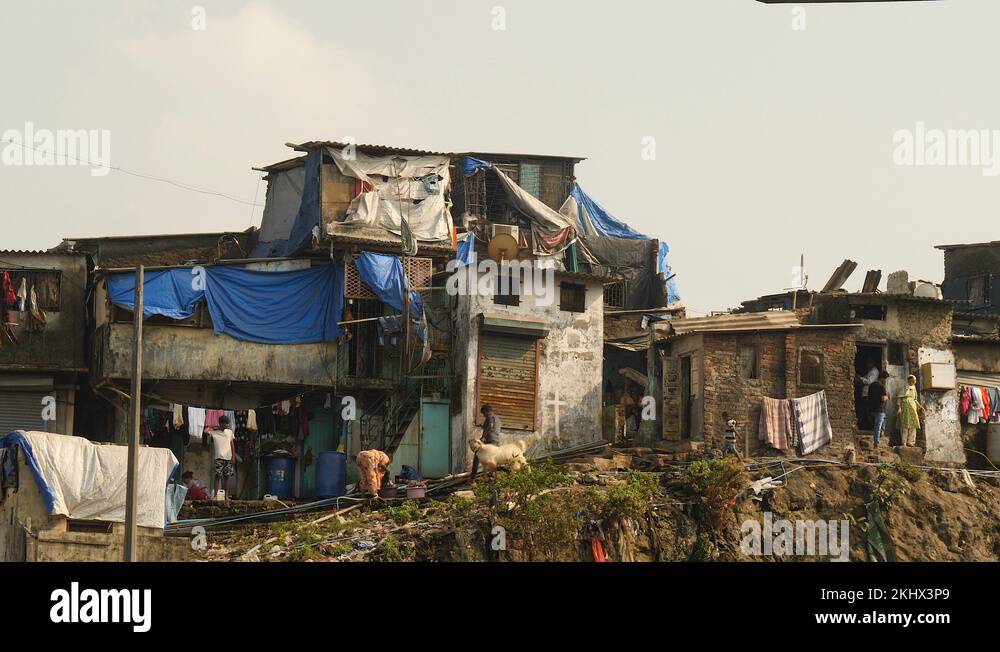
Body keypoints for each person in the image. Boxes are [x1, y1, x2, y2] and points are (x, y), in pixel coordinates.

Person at [204, 415, 236, 498]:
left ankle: (226, 496)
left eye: (227, 424)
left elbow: (232, 445)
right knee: (217, 476)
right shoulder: (214, 433)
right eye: (224, 424)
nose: (226, 425)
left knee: (227, 477)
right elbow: (205, 431)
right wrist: (213, 426)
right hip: (219, 458)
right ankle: (215, 495)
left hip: (228, 458)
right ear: (220, 424)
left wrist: (233, 457)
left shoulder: (229, 432)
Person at [469, 404, 502, 481]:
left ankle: (472, 478)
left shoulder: (489, 416)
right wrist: (483, 426)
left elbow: (490, 426)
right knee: (492, 460)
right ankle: (495, 478)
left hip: (489, 441)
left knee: (477, 456)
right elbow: (492, 427)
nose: (483, 415)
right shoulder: (497, 419)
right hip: (496, 441)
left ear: (487, 411)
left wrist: (483, 437)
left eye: (483, 413)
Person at [897, 375, 925, 447]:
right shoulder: (903, 387)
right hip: (905, 406)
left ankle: (911, 441)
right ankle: (903, 442)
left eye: (914, 381)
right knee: (904, 424)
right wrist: (899, 407)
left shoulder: (914, 388)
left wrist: (919, 406)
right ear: (909, 380)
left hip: (912, 407)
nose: (913, 382)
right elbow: (899, 398)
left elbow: (915, 399)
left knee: (913, 424)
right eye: (912, 381)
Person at [856, 359, 880, 429]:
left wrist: (860, 378)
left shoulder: (874, 371)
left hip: (868, 394)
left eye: (868, 364)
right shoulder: (870, 371)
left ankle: (871, 427)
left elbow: (869, 381)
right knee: (865, 411)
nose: (867, 366)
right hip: (865, 394)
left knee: (868, 412)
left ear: (871, 364)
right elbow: (865, 378)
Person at [869, 371, 890, 448]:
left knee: (883, 421)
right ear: (882, 378)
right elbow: (884, 398)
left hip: (872, 408)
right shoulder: (881, 387)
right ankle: (876, 443)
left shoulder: (871, 385)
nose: (885, 381)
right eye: (885, 379)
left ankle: (882, 433)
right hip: (880, 408)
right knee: (878, 426)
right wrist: (887, 397)